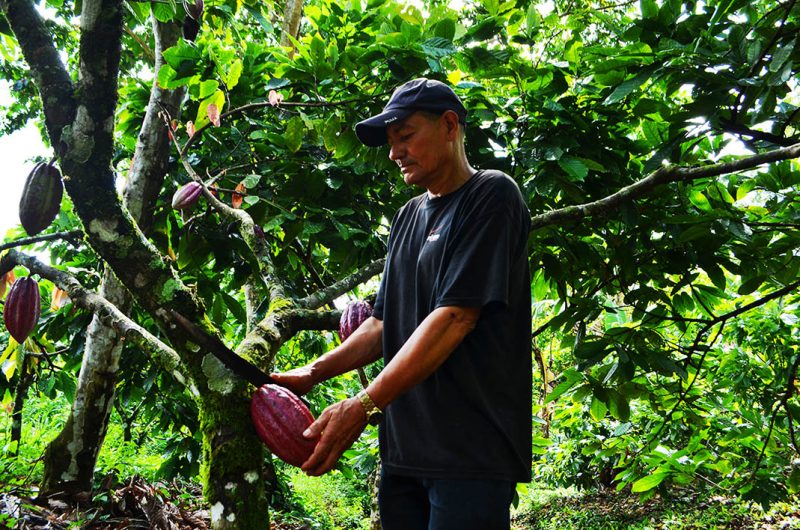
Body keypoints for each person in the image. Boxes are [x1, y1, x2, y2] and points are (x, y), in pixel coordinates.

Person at [271, 78, 532, 530]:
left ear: (450, 126)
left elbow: (455, 317)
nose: (394, 152)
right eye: (390, 142)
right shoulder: (409, 216)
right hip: (405, 451)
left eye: (405, 136)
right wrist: (312, 374)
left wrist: (363, 405)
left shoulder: (491, 195)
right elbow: (380, 324)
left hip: (470, 452)